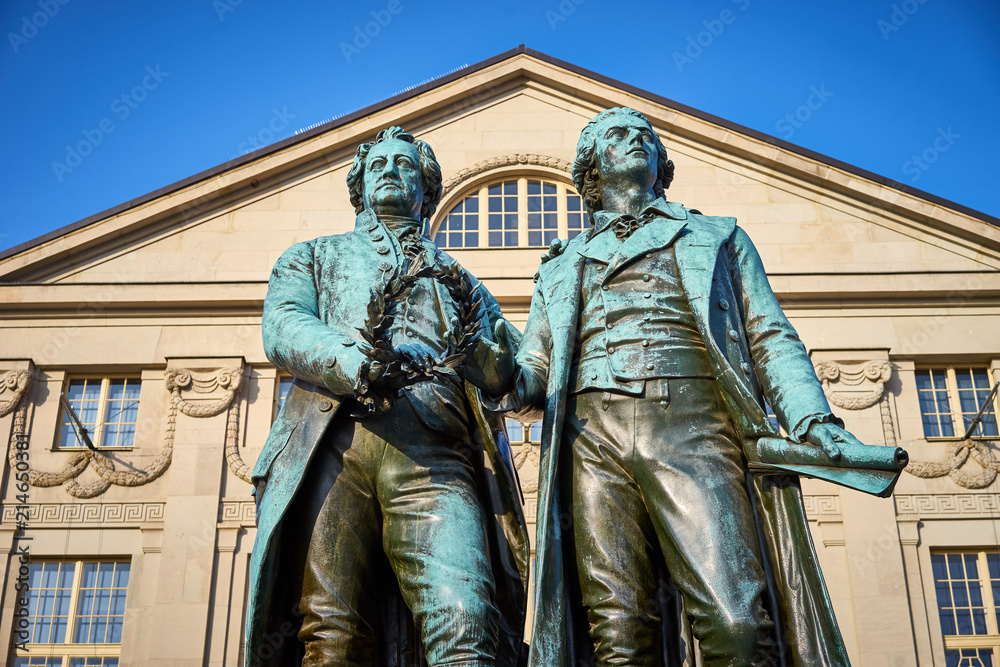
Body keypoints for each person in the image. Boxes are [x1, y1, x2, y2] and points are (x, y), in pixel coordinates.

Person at [503, 107, 863, 666]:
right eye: (617, 135)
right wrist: (485, 361)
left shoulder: (716, 236)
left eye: (645, 134)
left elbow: (769, 335)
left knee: (737, 620)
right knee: (618, 635)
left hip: (693, 427)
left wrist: (815, 420)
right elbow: (532, 372)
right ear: (591, 167)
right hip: (590, 442)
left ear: (661, 162)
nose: (635, 140)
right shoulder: (560, 263)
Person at [244, 126, 529, 667]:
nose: (391, 171)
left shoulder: (458, 278)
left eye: (404, 165)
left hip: (435, 455)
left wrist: (482, 359)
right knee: (333, 633)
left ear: (426, 189)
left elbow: (508, 368)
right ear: (358, 187)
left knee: (466, 618)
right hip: (335, 447)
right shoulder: (312, 257)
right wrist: (353, 363)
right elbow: (283, 326)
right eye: (378, 165)